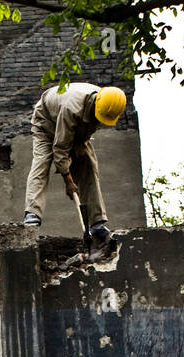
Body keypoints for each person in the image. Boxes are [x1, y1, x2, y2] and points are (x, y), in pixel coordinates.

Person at [22, 82, 127, 249]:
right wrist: (69, 181)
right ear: (96, 104)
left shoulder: (107, 103)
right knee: (42, 162)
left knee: (89, 166)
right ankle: (32, 214)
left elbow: (77, 141)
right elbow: (60, 149)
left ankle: (97, 223)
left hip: (77, 130)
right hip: (47, 123)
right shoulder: (72, 109)